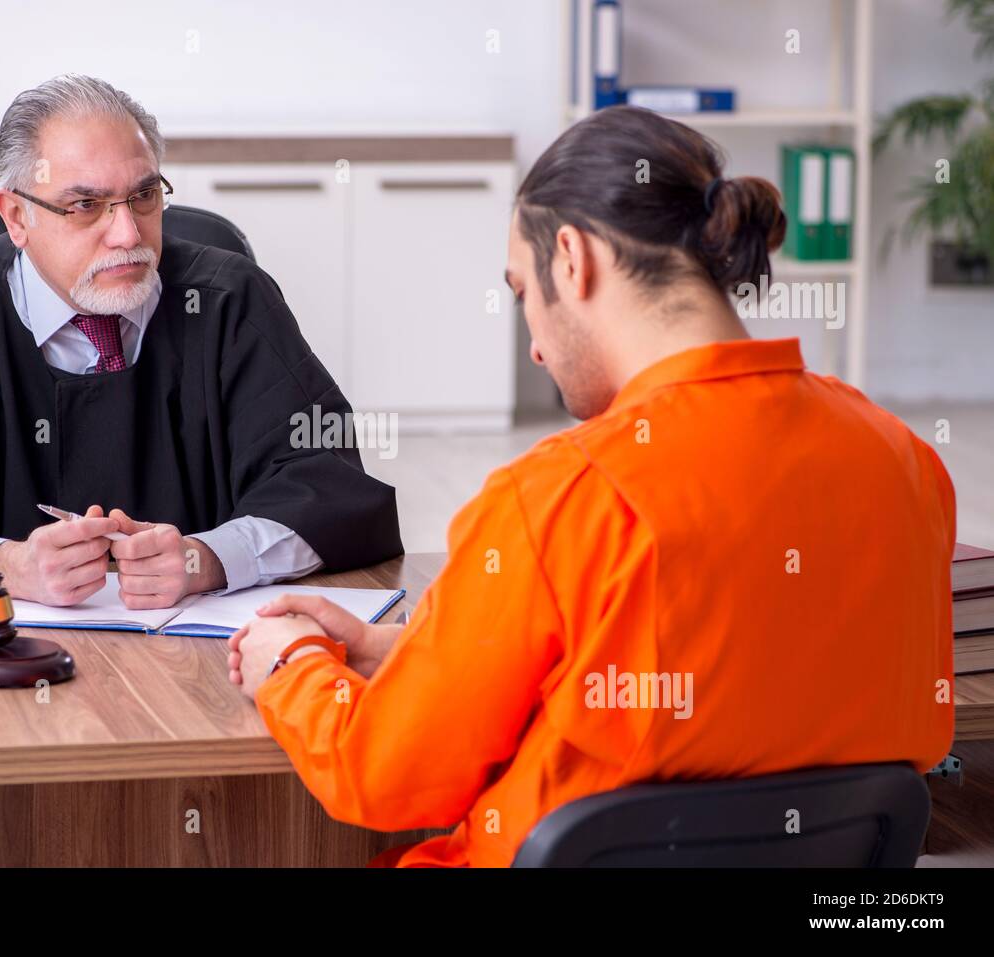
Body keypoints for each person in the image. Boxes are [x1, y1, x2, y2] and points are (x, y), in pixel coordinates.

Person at [226, 105, 955, 867]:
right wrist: (394, 649)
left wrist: (292, 661)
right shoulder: (904, 460)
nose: (535, 346)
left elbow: (380, 774)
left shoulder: (562, 494)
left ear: (571, 260)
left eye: (521, 293)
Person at [0, 75, 401, 609]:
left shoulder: (229, 298)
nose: (127, 232)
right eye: (85, 205)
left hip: (197, 667)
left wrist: (207, 558)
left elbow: (337, 489)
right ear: (16, 216)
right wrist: (0, 564)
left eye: (144, 195)